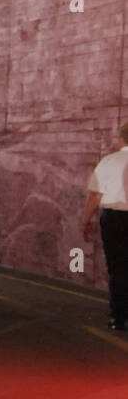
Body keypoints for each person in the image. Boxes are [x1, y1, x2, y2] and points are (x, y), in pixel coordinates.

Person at [80, 122, 128, 330]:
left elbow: (96, 195)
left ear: (121, 138)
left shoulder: (109, 162)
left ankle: (117, 318)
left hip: (115, 220)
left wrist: (85, 220)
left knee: (117, 269)